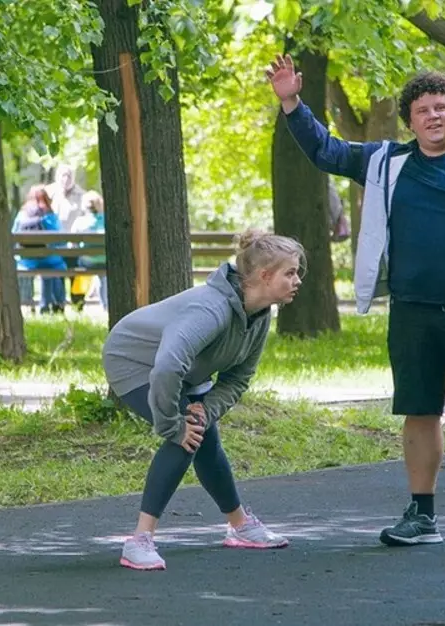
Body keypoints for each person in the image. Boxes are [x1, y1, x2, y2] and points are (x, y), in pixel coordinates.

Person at [265, 55, 445, 549]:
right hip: (413, 311)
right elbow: (326, 152)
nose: (433, 116)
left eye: (441, 106)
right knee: (420, 411)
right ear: (411, 121)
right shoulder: (386, 163)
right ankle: (422, 516)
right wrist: (292, 102)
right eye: (422, 110)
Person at [102, 229, 305, 570]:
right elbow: (166, 366)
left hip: (185, 373)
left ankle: (240, 526)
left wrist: (205, 411)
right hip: (134, 361)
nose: (297, 280)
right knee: (187, 438)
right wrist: (172, 424)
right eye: (290, 273)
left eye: (297, 272)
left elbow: (238, 377)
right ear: (264, 276)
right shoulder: (211, 310)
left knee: (201, 433)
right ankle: (139, 540)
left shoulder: (258, 314)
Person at [11, 185, 67, 314]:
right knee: (58, 266)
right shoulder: (49, 216)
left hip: (27, 262)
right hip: (50, 261)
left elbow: (13, 235)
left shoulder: (22, 215)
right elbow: (60, 239)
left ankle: (29, 304)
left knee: (42, 268)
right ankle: (57, 304)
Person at [71, 190, 107, 311]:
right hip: (105, 261)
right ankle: (105, 305)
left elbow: (72, 245)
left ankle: (78, 302)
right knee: (104, 275)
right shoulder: (108, 220)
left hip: (87, 262)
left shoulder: (80, 222)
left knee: (81, 266)